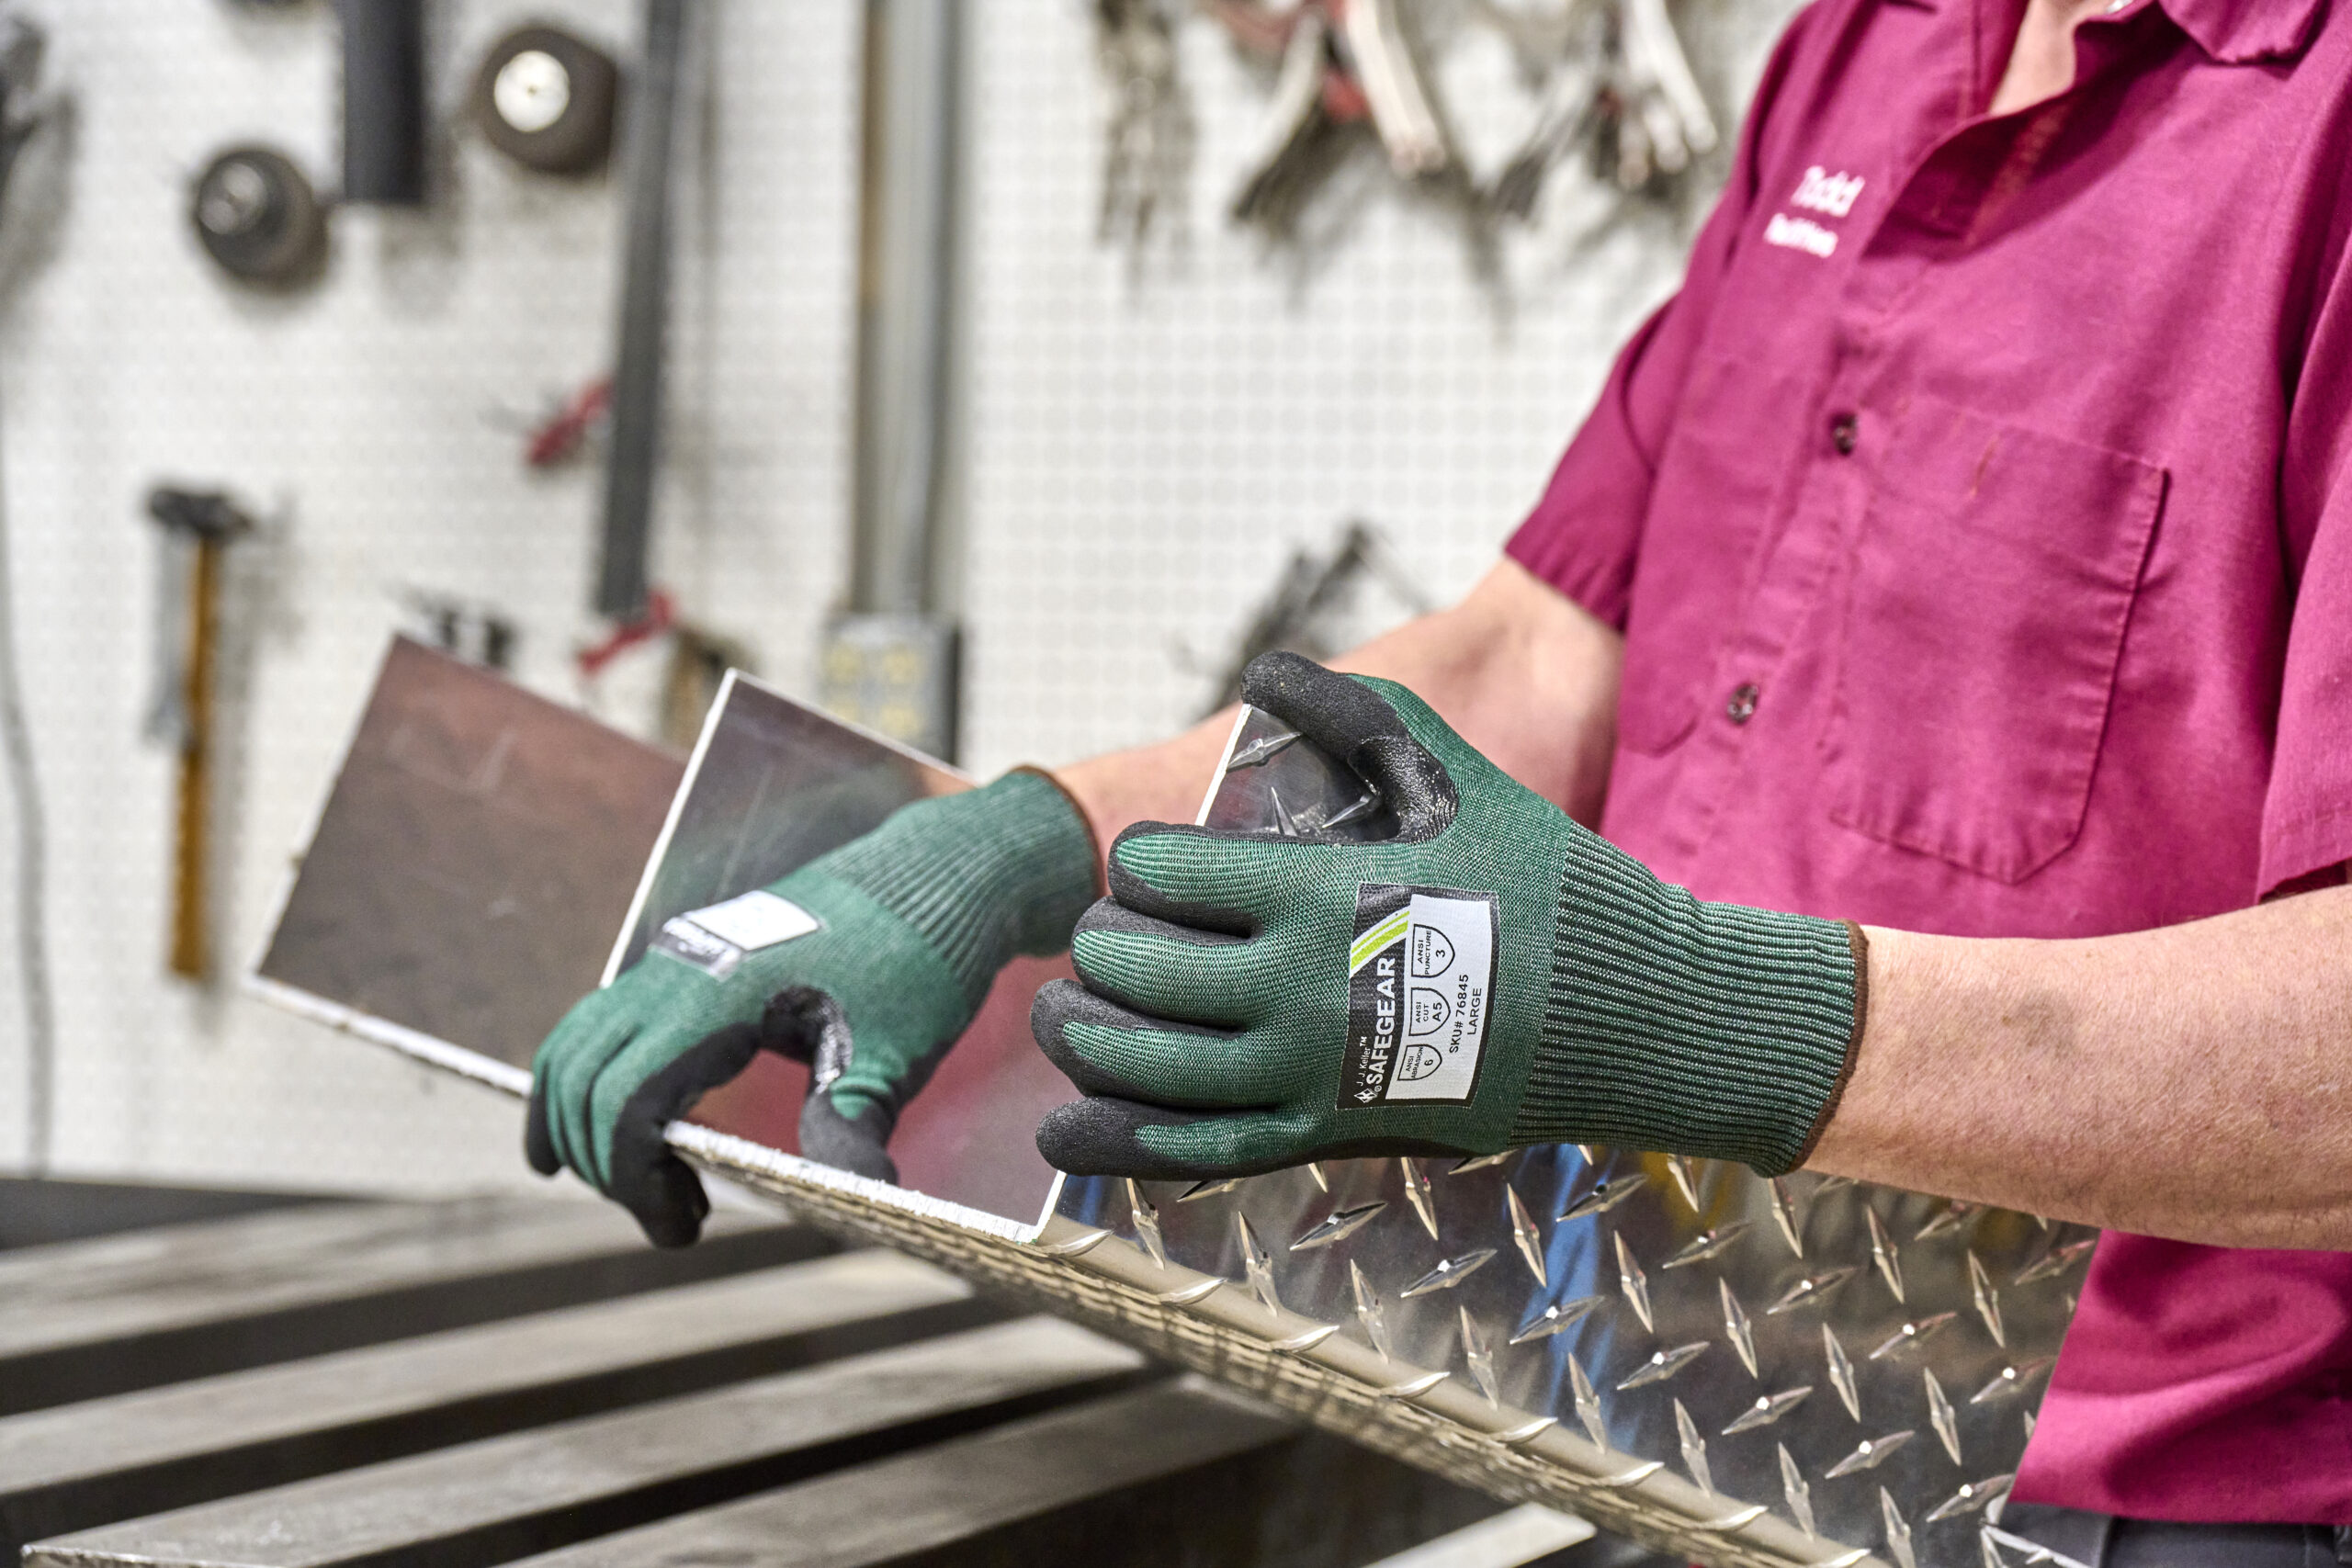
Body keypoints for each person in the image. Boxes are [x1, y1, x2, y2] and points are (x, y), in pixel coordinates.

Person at [526, 0, 2352, 1555]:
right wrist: (1017, 844)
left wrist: (1689, 1013)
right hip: (1678, 1419)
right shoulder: (1869, 49)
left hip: (2140, 1510)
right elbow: (1534, 651)